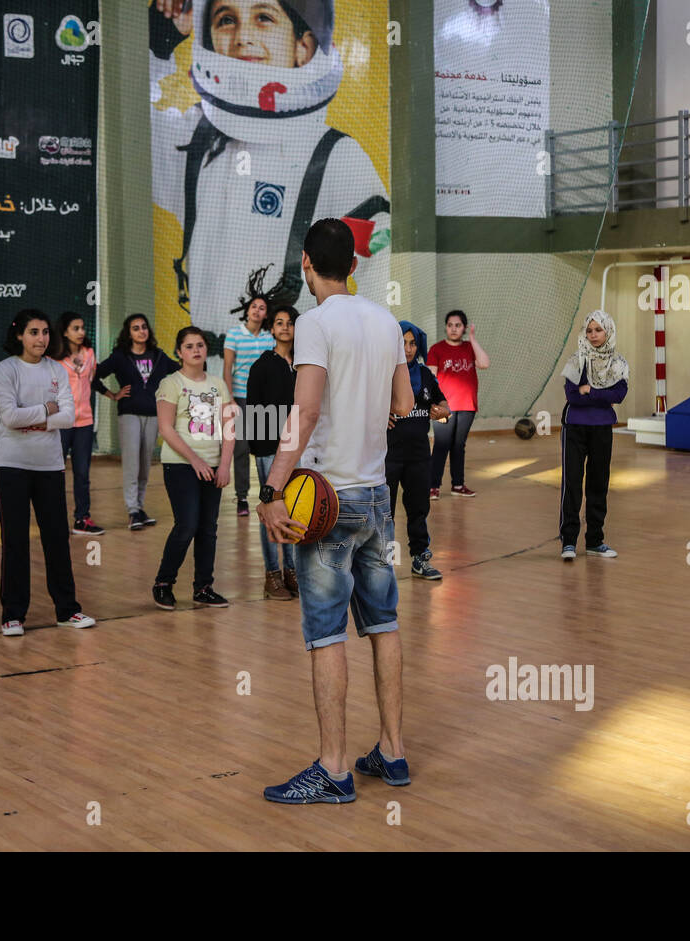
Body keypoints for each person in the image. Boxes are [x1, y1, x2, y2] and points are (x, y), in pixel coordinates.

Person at [257, 218, 414, 804]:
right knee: (384, 625)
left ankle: (335, 769)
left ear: (305, 263)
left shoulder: (314, 323)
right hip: (376, 496)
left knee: (327, 635)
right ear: (353, 264)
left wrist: (273, 490)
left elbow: (305, 410)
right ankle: (393, 754)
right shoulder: (385, 321)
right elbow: (403, 403)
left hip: (327, 502)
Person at [150, 0, 391, 366]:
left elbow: (382, 250)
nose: (243, 36)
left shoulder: (333, 157)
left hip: (281, 370)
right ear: (209, 39)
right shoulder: (194, 146)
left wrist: (358, 358)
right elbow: (128, 127)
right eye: (226, 20)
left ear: (303, 47)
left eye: (264, 18)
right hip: (206, 375)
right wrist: (160, 39)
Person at [0, 309, 97, 634]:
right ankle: (13, 614)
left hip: (50, 466)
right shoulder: (5, 369)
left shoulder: (57, 369)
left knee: (56, 539)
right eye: (34, 332)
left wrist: (34, 416)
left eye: (45, 332)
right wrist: (46, 412)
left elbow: (69, 416)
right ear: (19, 335)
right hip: (11, 465)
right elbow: (9, 417)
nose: (41, 339)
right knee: (15, 540)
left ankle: (67, 610)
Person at [152, 325, 234, 610]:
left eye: (200, 345)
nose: (196, 350)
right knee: (186, 525)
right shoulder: (170, 384)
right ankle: (163, 583)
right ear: (179, 352)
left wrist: (224, 465)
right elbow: (166, 428)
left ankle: (204, 587)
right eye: (189, 346)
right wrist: (195, 460)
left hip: (213, 465)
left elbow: (228, 426)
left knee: (208, 529)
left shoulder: (217, 384)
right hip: (181, 465)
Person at [93, 313, 178, 531]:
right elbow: (93, 375)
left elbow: (179, 371)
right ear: (128, 333)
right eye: (135, 328)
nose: (141, 331)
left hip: (153, 414)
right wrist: (111, 394)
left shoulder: (158, 356)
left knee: (144, 464)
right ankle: (132, 510)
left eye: (144, 327)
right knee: (132, 463)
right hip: (129, 414)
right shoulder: (120, 357)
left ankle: (139, 508)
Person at [559, 310, 629, 561]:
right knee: (573, 484)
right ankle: (568, 542)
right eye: (589, 330)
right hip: (574, 427)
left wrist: (592, 391)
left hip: (602, 429)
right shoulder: (576, 360)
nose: (593, 335)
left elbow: (618, 395)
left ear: (608, 331)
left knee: (598, 484)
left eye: (598, 330)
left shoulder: (618, 363)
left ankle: (595, 541)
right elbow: (573, 396)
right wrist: (599, 395)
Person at [388, 320, 449, 581]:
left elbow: (442, 401)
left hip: (418, 454)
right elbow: (365, 404)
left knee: (418, 507)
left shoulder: (424, 375)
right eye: (403, 342)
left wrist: (444, 411)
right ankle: (381, 564)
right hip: (388, 454)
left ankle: (419, 558)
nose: (408, 348)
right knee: (383, 511)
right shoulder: (383, 373)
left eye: (413, 343)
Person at [246, 303, 298, 599]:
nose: (285, 327)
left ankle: (291, 570)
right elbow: (254, 412)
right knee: (271, 510)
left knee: (291, 509)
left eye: (290, 323)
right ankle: (272, 575)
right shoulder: (262, 366)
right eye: (279, 322)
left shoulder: (303, 365)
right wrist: (262, 450)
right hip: (270, 450)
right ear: (271, 329)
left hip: (296, 448)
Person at [223, 275, 275, 516]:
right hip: (241, 398)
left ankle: (270, 493)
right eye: (254, 306)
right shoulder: (234, 335)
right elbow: (227, 369)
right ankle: (242, 497)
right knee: (241, 448)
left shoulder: (269, 338)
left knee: (266, 450)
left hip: (264, 400)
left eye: (262, 308)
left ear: (266, 314)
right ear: (248, 310)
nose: (257, 310)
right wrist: (229, 398)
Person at [49, 312, 104, 536]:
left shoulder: (89, 354)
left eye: (82, 328)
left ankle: (82, 519)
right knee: (55, 473)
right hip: (61, 423)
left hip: (84, 423)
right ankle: (54, 519)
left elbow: (92, 381)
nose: (81, 332)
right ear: (64, 332)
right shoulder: (53, 359)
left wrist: (113, 394)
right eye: (76, 328)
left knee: (82, 473)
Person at [426, 309, 489, 498]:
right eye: (450, 325)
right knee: (441, 444)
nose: (453, 329)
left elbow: (484, 363)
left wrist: (473, 339)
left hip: (467, 405)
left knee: (458, 445)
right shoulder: (437, 349)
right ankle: (432, 486)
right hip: (445, 406)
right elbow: (431, 378)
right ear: (446, 327)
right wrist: (434, 405)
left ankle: (458, 485)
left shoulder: (469, 348)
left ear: (464, 328)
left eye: (458, 325)